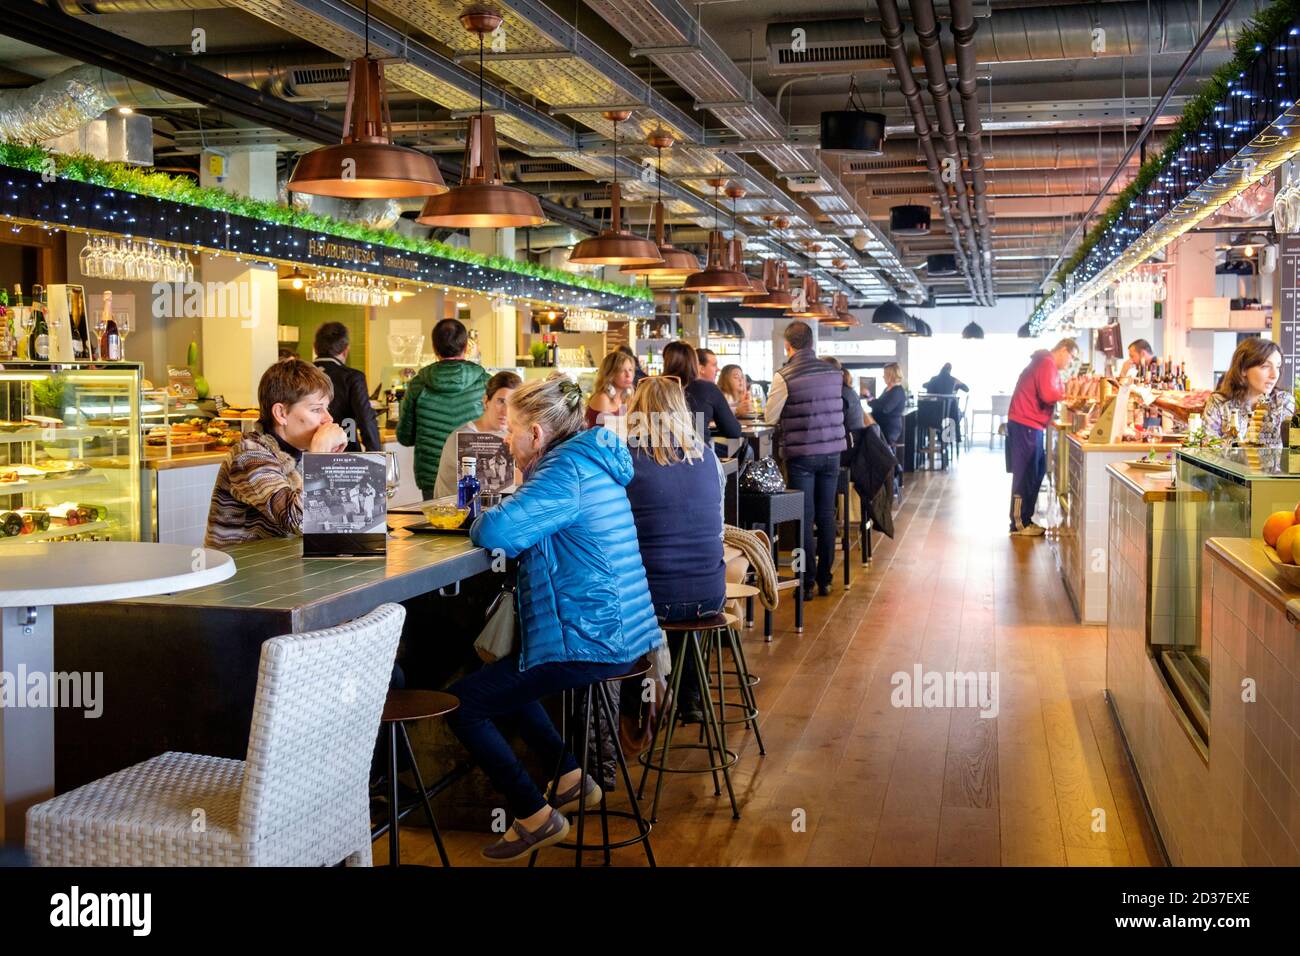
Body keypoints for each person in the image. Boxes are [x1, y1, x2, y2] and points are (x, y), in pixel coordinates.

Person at [450, 375, 661, 862]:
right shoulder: (587, 459)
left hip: (593, 639)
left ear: (538, 435)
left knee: (465, 705)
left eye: (513, 432)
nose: (507, 441)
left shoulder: (562, 472)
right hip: (622, 631)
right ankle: (568, 777)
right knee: (500, 680)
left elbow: (497, 532)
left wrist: (483, 513)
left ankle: (533, 815)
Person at [623, 376, 726, 725]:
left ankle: (636, 705)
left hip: (654, 599)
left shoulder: (626, 459)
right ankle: (691, 696)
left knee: (642, 585)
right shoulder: (709, 457)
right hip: (712, 597)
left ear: (636, 411)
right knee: (683, 586)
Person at [205, 359, 348, 548]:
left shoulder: (300, 453)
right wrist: (320, 458)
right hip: (241, 573)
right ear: (281, 413)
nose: (328, 418)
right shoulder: (249, 455)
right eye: (316, 409)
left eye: (327, 408)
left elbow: (337, 516)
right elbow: (301, 521)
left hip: (284, 568)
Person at [765, 321, 846, 599]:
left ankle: (807, 581)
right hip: (832, 452)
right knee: (826, 515)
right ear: (811, 343)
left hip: (802, 455)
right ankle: (826, 579)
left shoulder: (784, 376)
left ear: (788, 346)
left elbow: (770, 418)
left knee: (804, 518)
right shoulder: (834, 372)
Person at [397, 318, 491, 499]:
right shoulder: (485, 381)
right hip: (474, 471)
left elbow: (405, 437)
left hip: (433, 477)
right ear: (466, 346)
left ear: (434, 347)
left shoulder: (418, 384)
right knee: (476, 524)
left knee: (437, 525)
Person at [1007, 338, 1078, 537]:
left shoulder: (1043, 362)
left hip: (1030, 424)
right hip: (1026, 424)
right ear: (1063, 350)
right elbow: (1048, 395)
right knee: (1025, 474)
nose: (1069, 364)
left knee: (1036, 472)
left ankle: (1026, 519)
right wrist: (1065, 392)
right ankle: (1018, 524)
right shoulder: (1046, 362)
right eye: (1071, 358)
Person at [434, 370, 521, 499]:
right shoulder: (461, 437)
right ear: (486, 401)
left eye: (512, 404)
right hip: (456, 510)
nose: (505, 411)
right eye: (501, 401)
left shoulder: (512, 435)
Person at [1203, 336, 1293, 445]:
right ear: (1244, 369)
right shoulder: (1219, 402)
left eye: (1278, 367)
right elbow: (1208, 449)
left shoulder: (1283, 402)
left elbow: (1290, 448)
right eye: (1265, 366)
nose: (1274, 375)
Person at [312, 321, 381, 453]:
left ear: (315, 348)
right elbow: (366, 420)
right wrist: (376, 456)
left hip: (307, 453)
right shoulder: (353, 377)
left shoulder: (299, 376)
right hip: (346, 452)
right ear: (345, 350)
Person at [663, 341, 742, 440]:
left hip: (653, 452)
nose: (718, 369)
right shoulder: (708, 389)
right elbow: (733, 431)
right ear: (694, 364)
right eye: (714, 365)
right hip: (695, 452)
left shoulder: (649, 389)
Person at [586, 349, 636, 428]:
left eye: (630, 370)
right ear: (610, 374)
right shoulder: (603, 398)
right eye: (622, 370)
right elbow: (605, 435)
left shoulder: (625, 397)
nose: (628, 375)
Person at [869, 363, 907, 447]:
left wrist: (870, 398)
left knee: (886, 454)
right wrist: (870, 398)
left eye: (885, 374)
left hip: (889, 428)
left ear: (891, 375)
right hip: (882, 425)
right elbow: (879, 403)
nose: (883, 377)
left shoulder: (897, 391)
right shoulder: (887, 389)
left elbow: (884, 408)